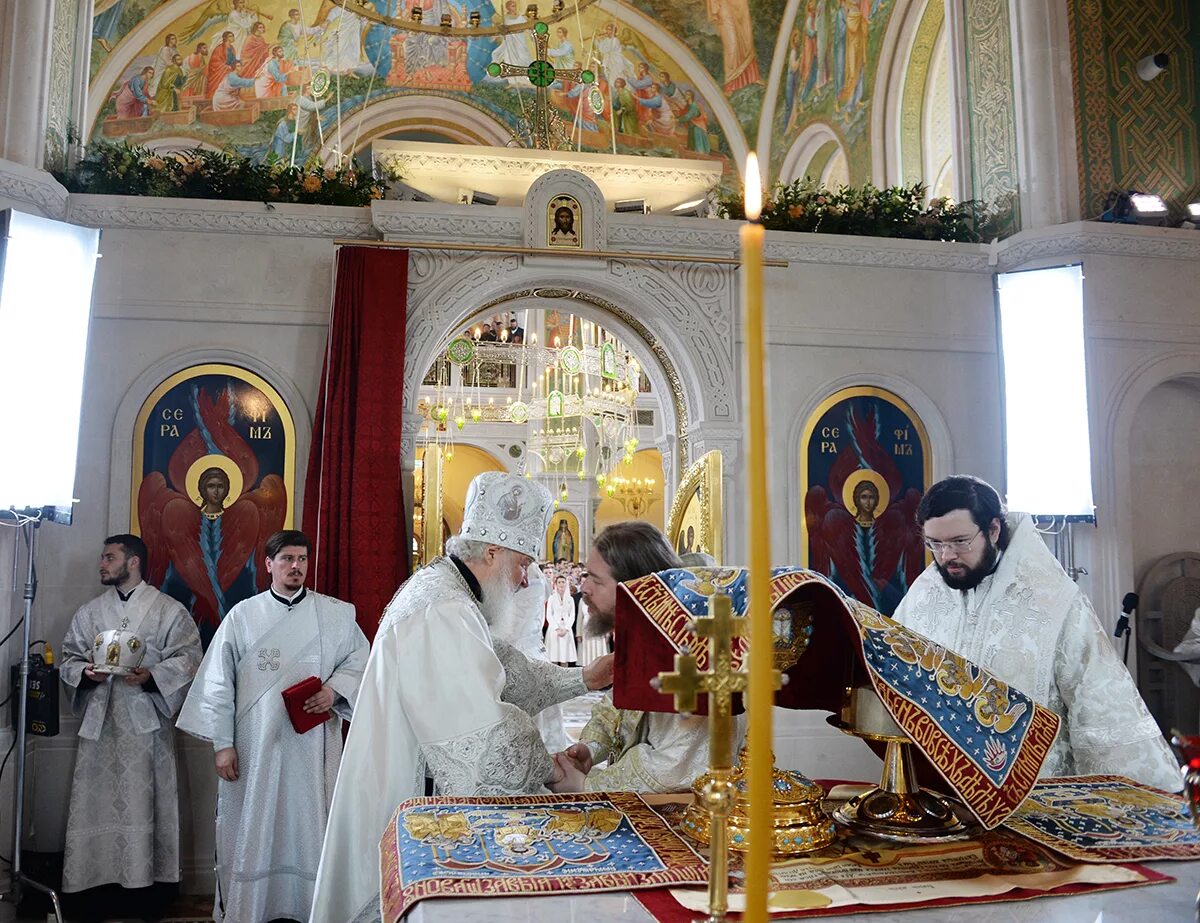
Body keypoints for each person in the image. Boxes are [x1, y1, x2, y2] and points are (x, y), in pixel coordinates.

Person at [310, 472, 614, 923]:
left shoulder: (451, 592)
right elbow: (482, 741)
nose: (527, 581)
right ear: (492, 551)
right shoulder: (443, 607)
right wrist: (551, 767)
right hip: (407, 798)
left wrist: (583, 680)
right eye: (523, 564)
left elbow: (506, 672)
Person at [892, 475, 1180, 791]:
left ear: (993, 530)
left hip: (1033, 798)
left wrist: (1123, 795)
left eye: (960, 542)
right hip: (942, 793)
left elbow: (1098, 699)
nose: (946, 556)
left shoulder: (1054, 600)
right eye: (935, 543)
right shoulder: (922, 598)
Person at [176, 530, 369, 923]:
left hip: (312, 744)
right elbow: (218, 683)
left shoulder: (334, 614)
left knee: (309, 822)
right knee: (254, 823)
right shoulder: (242, 617)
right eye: (286, 559)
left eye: (301, 559)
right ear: (268, 565)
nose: (295, 566)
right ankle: (254, 909)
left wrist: (334, 692)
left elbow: (362, 662)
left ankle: (309, 907)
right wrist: (223, 744)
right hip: (255, 746)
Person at [59, 535, 203, 917]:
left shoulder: (168, 611)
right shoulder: (89, 613)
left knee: (144, 805)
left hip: (145, 729)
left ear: (134, 561)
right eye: (103, 557)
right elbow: (69, 659)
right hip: (100, 729)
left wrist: (152, 675)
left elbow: (190, 658)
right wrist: (86, 672)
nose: (102, 564)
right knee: (96, 806)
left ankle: (147, 895)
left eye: (110, 557)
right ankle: (94, 891)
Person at [556, 521, 745, 792]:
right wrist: (590, 748)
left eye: (596, 580)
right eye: (586, 576)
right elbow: (618, 708)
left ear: (635, 588)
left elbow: (676, 765)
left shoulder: (692, 652)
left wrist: (589, 785)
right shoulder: (646, 636)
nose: (584, 588)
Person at [545, 574, 578, 665]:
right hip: (554, 629)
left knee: (565, 657)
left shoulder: (570, 599)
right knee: (554, 657)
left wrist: (566, 628)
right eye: (559, 582)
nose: (561, 584)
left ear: (566, 583)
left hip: (566, 629)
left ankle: (565, 678)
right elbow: (549, 615)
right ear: (556, 584)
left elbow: (572, 615)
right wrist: (556, 628)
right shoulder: (551, 598)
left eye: (563, 582)